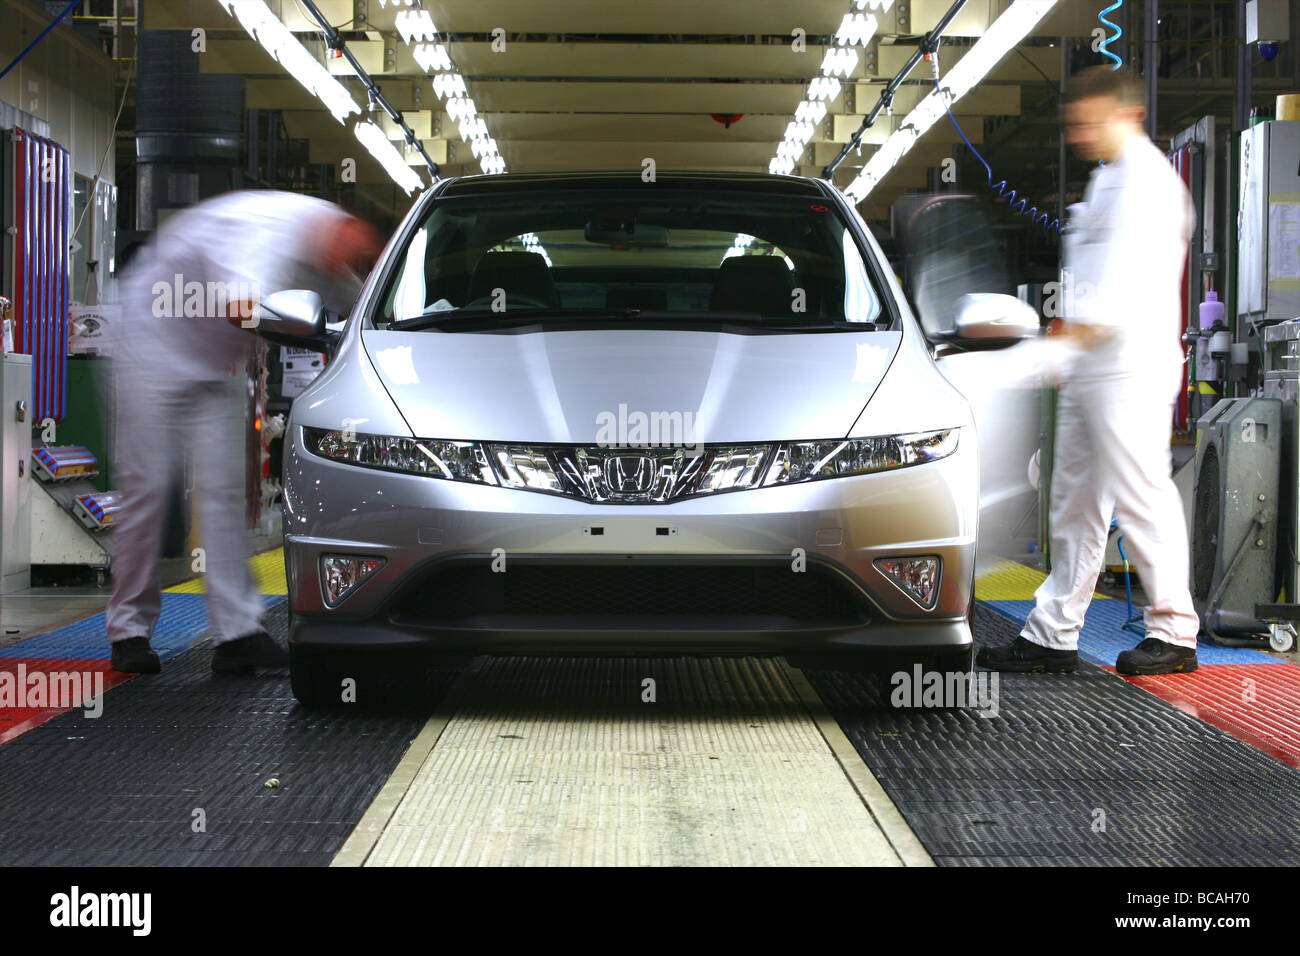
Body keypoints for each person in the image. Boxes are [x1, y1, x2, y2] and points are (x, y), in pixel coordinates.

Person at [977, 66, 1200, 676]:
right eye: (1073, 125)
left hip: (1128, 370)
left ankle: (1175, 631)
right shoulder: (1105, 185)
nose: (1078, 135)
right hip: (1087, 369)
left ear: (1129, 115)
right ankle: (1053, 635)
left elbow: (1115, 302)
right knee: (1074, 503)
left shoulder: (1150, 187)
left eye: (1088, 122)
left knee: (1141, 495)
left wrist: (1033, 359)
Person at [106, 190, 382, 675]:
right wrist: (315, 332)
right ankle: (129, 630)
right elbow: (240, 307)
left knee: (224, 495)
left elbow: (358, 305)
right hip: (149, 347)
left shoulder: (328, 249)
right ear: (346, 225)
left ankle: (237, 635)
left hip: (214, 363)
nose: (355, 263)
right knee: (148, 490)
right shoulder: (271, 229)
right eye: (359, 252)